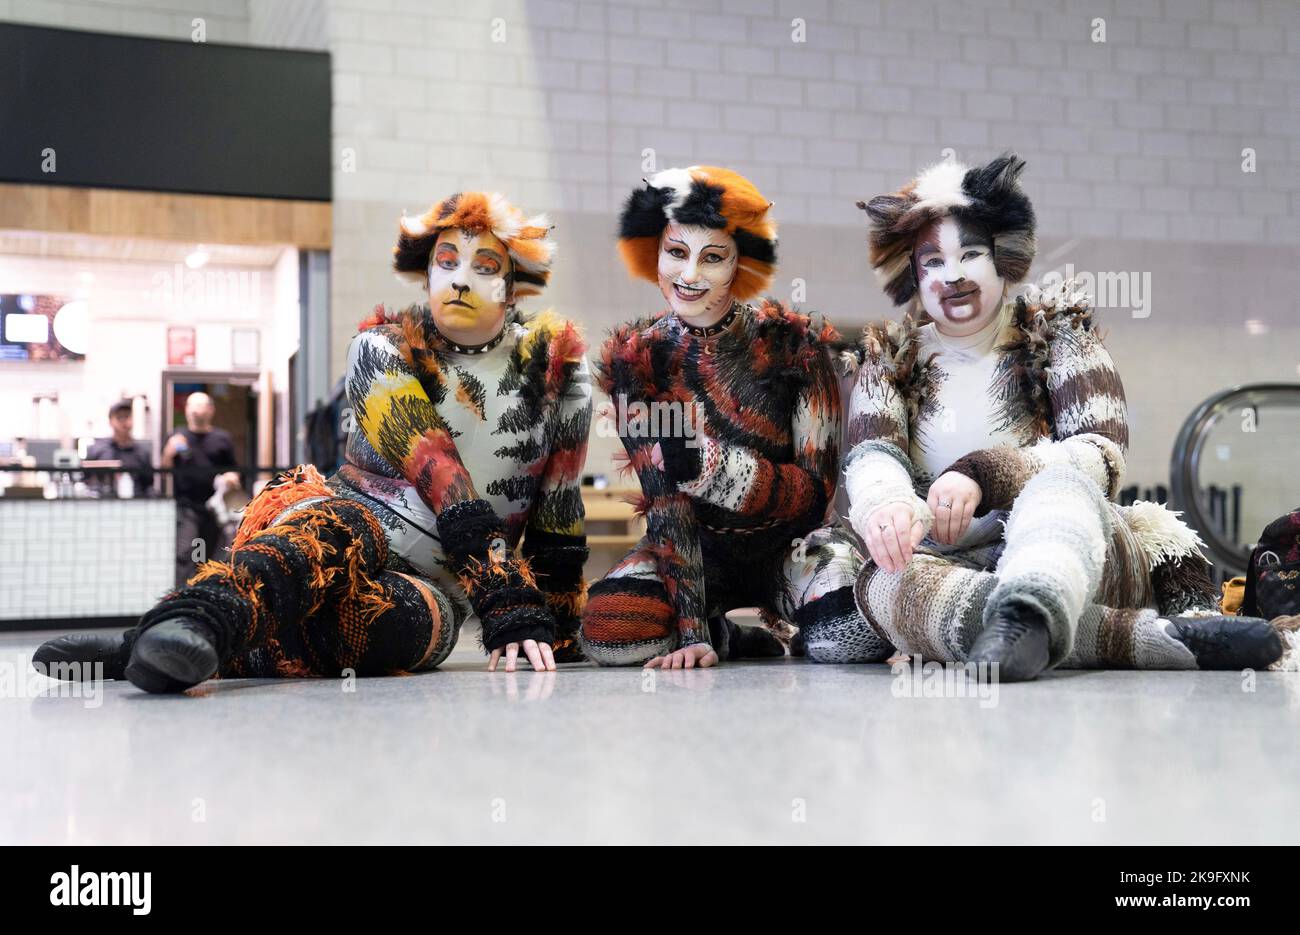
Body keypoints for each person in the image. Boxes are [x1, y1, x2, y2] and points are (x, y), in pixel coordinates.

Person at [34, 191, 592, 692]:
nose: (460, 279)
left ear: (514, 284)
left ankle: (165, 647)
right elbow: (439, 472)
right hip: (363, 521)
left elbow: (559, 506)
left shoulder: (557, 368)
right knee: (326, 537)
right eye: (445, 263)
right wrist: (504, 592)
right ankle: (198, 621)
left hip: (440, 588)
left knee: (398, 629)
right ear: (425, 277)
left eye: (484, 265)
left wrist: (559, 622)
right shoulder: (381, 348)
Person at [844, 153, 1284, 681]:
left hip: (1074, 547)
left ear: (1002, 257)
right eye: (932, 262)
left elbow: (1099, 454)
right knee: (880, 580)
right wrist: (887, 506)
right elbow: (873, 453)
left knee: (1060, 484)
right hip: (951, 559)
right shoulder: (889, 358)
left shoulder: (1059, 335)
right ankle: (1142, 641)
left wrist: (983, 472)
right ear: (912, 276)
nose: (952, 276)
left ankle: (1025, 613)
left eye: (971, 254)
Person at [579, 166, 889, 668]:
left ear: (740, 263)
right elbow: (666, 509)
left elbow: (814, 498)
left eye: (713, 258)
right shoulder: (635, 359)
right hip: (698, 552)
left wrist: (710, 467)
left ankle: (801, 630)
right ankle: (729, 636)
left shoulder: (797, 344)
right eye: (676, 253)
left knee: (851, 636)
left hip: (790, 547)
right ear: (653, 254)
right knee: (613, 635)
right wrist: (693, 633)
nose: (690, 275)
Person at [162, 392, 240, 584]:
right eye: (191, 406)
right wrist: (169, 452)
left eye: (200, 406)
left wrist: (232, 478)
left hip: (215, 508)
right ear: (186, 410)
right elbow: (163, 470)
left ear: (211, 410)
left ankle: (207, 596)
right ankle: (183, 598)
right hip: (186, 506)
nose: (196, 411)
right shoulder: (176, 436)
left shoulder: (222, 438)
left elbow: (235, 471)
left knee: (211, 554)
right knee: (186, 553)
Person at [85, 399, 153, 497]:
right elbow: (86, 479)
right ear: (110, 421)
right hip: (103, 504)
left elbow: (148, 485)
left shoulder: (142, 453)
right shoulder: (98, 449)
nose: (124, 421)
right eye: (119, 417)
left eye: (127, 416)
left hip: (136, 505)